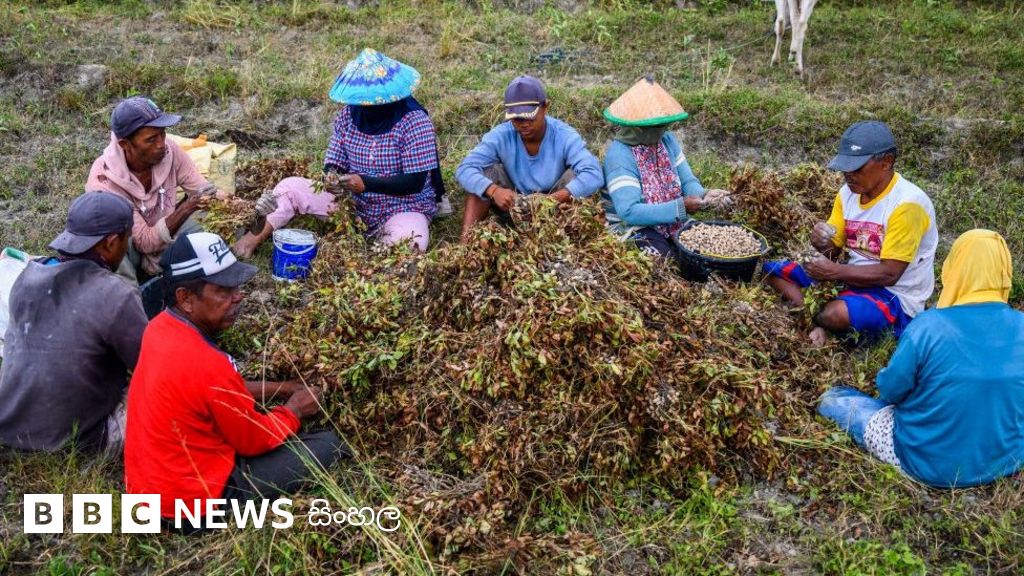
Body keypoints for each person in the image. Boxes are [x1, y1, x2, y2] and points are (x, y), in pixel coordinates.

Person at [124, 232, 350, 531]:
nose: (238, 296)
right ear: (186, 298)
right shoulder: (208, 365)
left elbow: (213, 393)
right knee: (328, 444)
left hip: (146, 489)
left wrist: (283, 388)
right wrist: (293, 410)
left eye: (236, 286)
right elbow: (254, 441)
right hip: (186, 508)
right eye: (223, 290)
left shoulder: (158, 328)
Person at [818, 229, 1024, 487]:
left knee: (833, 398)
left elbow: (891, 391)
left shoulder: (928, 326)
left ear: (954, 267)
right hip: (1002, 461)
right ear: (1005, 272)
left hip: (925, 462)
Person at [234, 49, 446, 257]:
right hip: (351, 203)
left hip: (402, 207)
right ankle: (251, 239)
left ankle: (381, 253)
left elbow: (415, 182)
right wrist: (331, 177)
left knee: (411, 240)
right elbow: (335, 159)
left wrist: (367, 184)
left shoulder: (414, 121)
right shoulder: (348, 115)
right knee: (290, 189)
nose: (365, 108)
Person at [762, 120, 938, 345]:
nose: (848, 175)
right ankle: (817, 320)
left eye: (857, 168)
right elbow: (832, 252)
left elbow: (890, 274)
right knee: (773, 270)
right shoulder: (848, 194)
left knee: (836, 314)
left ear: (886, 162)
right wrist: (822, 242)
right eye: (845, 168)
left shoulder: (907, 205)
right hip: (850, 278)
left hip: (892, 295)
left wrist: (833, 272)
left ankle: (820, 318)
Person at [0, 192, 146, 453]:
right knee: (170, 398)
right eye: (127, 239)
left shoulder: (25, 277)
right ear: (111, 243)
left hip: (12, 427)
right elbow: (149, 368)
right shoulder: (116, 294)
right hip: (76, 438)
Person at [455, 75, 603, 243]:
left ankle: (567, 236)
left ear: (545, 107)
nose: (523, 124)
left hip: (556, 206)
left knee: (577, 175)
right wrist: (494, 191)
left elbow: (594, 173)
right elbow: (464, 169)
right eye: (517, 119)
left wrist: (553, 199)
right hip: (512, 203)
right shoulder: (501, 135)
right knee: (484, 173)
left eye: (529, 117)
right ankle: (465, 243)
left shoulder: (564, 135)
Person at [86, 96, 219, 283]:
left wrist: (244, 208)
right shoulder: (104, 183)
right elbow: (144, 241)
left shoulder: (168, 151)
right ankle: (132, 297)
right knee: (109, 244)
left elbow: (202, 189)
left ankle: (173, 275)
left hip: (162, 233)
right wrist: (187, 207)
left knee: (210, 227)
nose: (161, 144)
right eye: (151, 140)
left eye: (163, 134)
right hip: (128, 247)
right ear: (125, 145)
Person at [601, 77, 733, 260]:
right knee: (665, 260)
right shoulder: (620, 156)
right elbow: (629, 212)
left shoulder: (667, 141)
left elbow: (687, 181)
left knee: (704, 248)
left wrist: (704, 195)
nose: (663, 131)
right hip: (634, 226)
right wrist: (680, 207)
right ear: (638, 127)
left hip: (672, 219)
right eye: (658, 127)